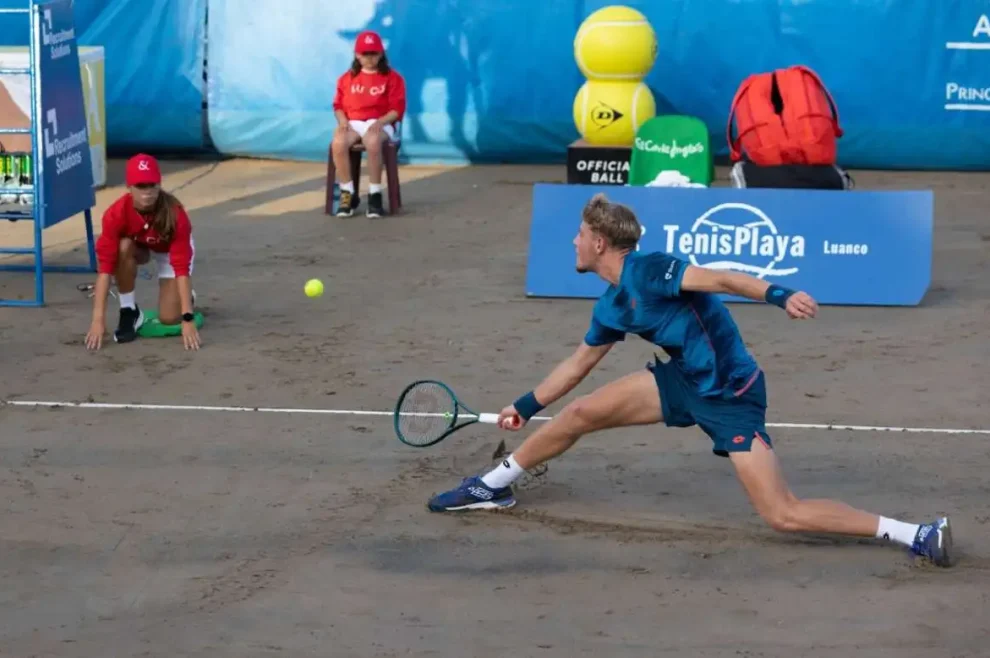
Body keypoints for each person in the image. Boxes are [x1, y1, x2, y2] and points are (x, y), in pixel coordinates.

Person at [427, 192, 952, 568]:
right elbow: (579, 362)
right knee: (579, 413)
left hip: (729, 394)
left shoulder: (652, 269)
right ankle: (492, 486)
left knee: (783, 515)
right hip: (682, 380)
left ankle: (914, 533)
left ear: (601, 243)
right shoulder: (612, 303)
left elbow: (721, 277)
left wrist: (779, 294)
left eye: (581, 235)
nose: (574, 241)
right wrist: (524, 405)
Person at [84, 154, 201, 351]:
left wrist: (187, 317)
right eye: (140, 186)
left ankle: (188, 296)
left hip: (168, 253)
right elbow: (105, 269)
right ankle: (129, 310)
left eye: (152, 185)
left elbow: (181, 268)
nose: (147, 192)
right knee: (122, 247)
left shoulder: (175, 214)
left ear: (159, 185)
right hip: (141, 248)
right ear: (129, 187)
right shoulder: (115, 214)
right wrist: (97, 320)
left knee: (169, 317)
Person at [331, 30, 406, 219]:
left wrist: (381, 121)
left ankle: (374, 194)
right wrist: (343, 122)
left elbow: (397, 109)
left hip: (380, 122)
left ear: (381, 54)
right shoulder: (346, 78)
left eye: (374, 53)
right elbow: (338, 106)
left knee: (372, 141)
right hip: (354, 122)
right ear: (357, 55)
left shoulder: (393, 78)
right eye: (365, 54)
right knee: (338, 142)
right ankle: (348, 192)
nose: (370, 58)